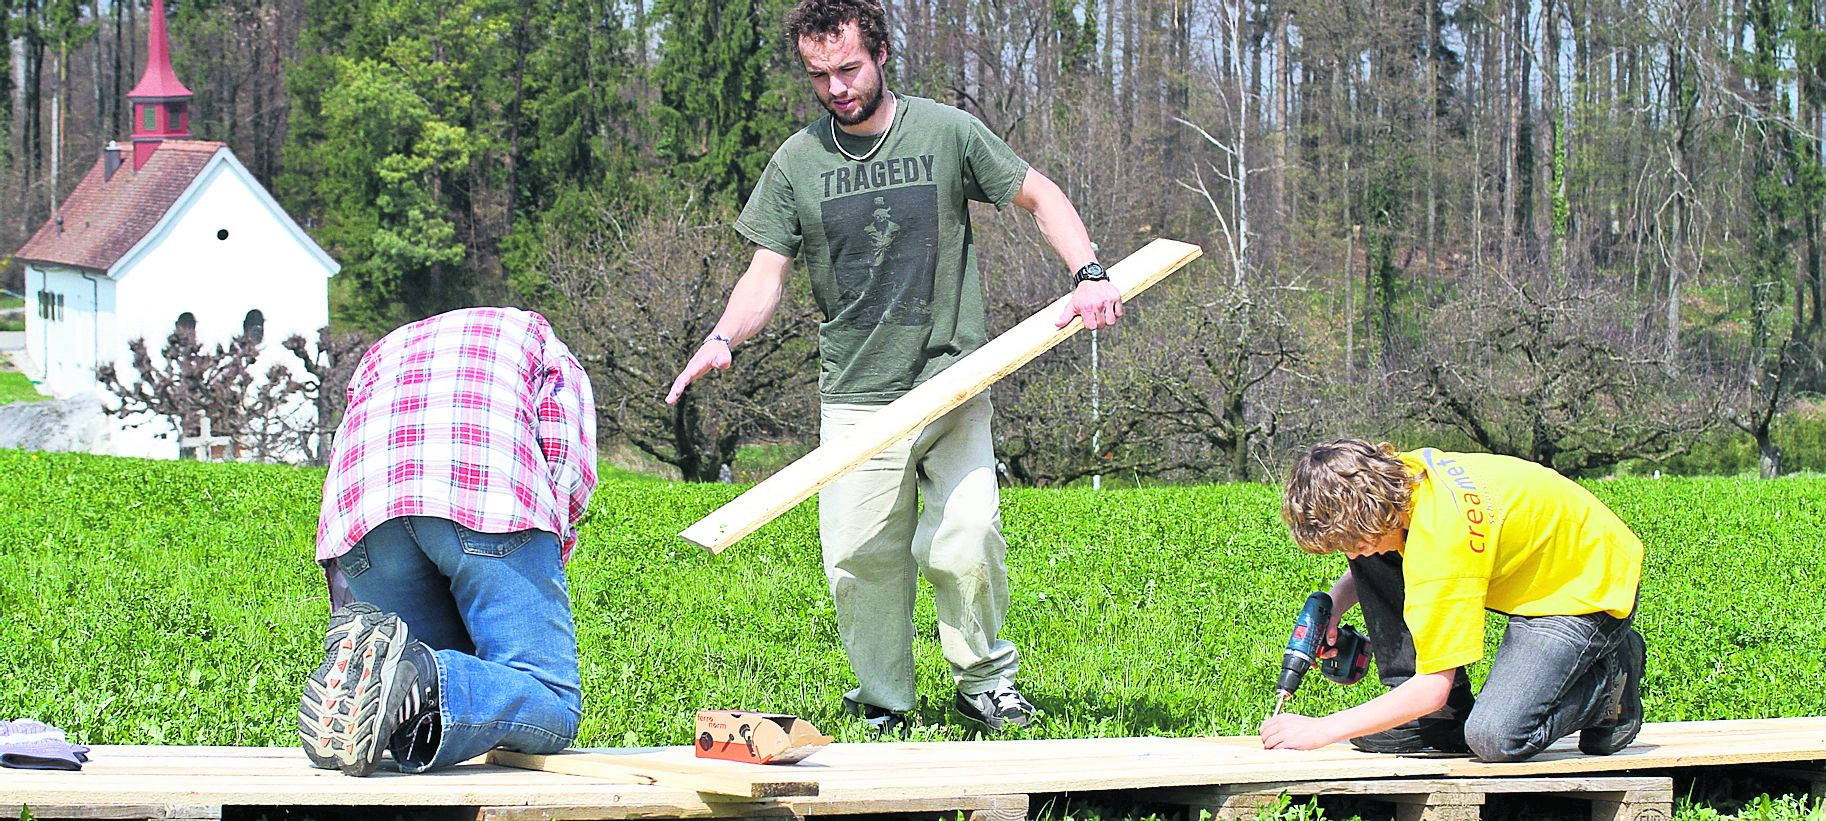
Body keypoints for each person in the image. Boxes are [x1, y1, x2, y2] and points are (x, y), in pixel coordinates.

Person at [665, 0, 1123, 735]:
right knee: (858, 560)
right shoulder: (798, 162)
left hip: (952, 379)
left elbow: (1041, 196)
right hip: (857, 395)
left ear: (880, 53)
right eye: (821, 76)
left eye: (849, 68)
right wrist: (724, 336)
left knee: (968, 536)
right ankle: (885, 700)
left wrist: (1089, 270)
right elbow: (765, 274)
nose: (838, 87)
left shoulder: (946, 132)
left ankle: (985, 685)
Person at [298, 307, 597, 776]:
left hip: (363, 516)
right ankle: (423, 672)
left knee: (420, 711)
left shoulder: (386, 349)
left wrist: (343, 574)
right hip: (485, 494)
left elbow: (346, 444)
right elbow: (567, 455)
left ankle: (408, 682)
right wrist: (549, 539)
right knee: (551, 700)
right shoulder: (538, 338)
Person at [1260, 440, 1647, 762]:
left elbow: (1432, 688)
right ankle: (1440, 724)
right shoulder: (1401, 479)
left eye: (1352, 544)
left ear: (1368, 523)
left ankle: (1611, 676)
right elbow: (1372, 552)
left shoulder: (1441, 548)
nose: (1353, 554)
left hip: (1587, 586)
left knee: (1494, 738)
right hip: (1547, 554)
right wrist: (1335, 602)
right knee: (1378, 554)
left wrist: (1321, 729)